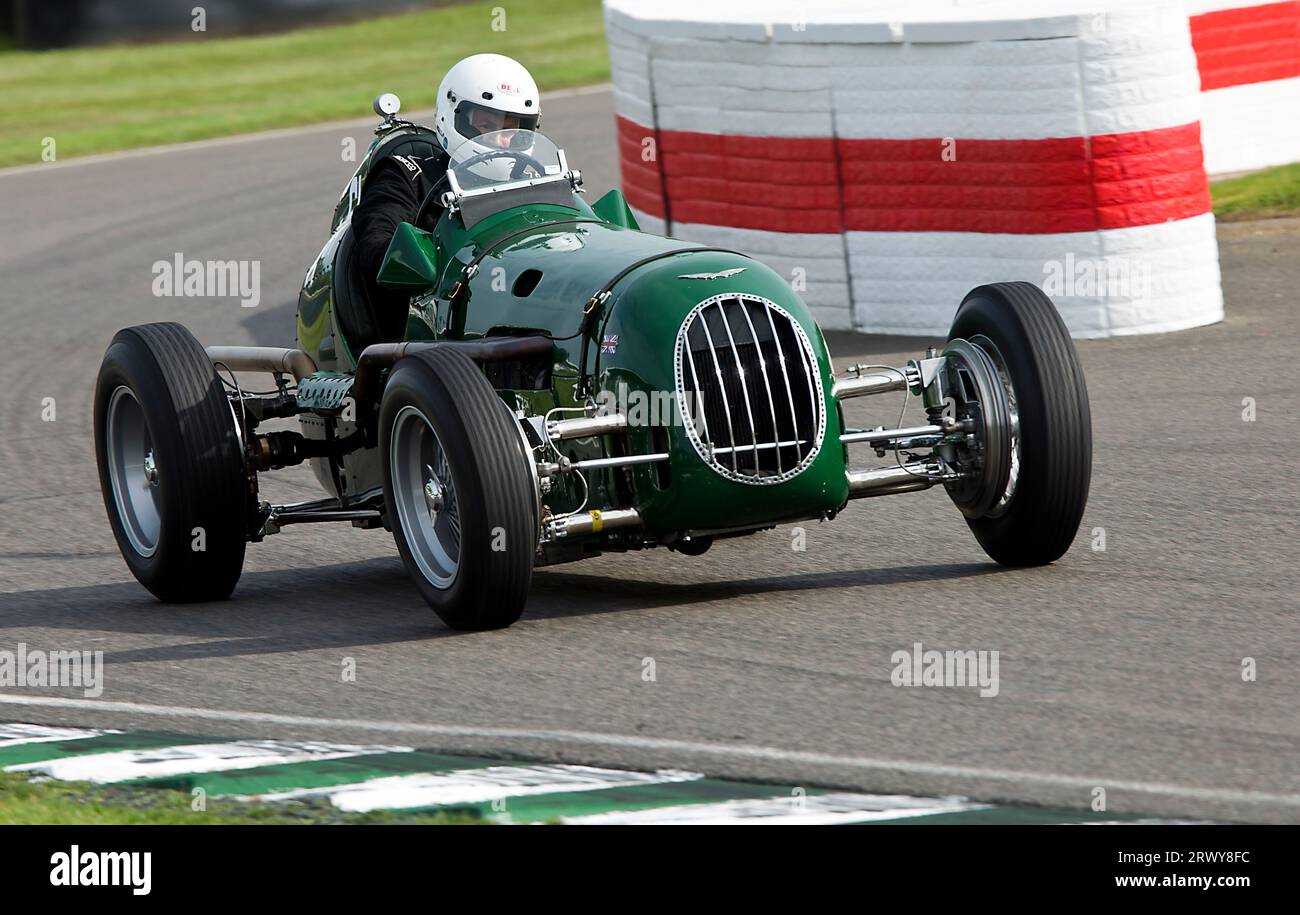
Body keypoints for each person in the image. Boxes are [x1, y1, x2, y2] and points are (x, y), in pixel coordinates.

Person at [351, 53, 541, 331]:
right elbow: (376, 245)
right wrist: (423, 261)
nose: (501, 140)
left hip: (517, 306)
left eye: (513, 129)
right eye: (487, 125)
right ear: (452, 114)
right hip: (428, 331)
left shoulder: (533, 177)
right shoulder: (408, 175)